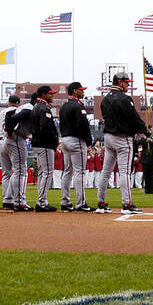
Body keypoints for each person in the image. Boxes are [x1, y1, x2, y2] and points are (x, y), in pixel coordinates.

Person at [96, 71, 147, 213]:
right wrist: (144, 130)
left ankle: (101, 203)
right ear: (119, 82)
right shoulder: (124, 98)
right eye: (126, 82)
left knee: (106, 171)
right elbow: (133, 117)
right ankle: (127, 204)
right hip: (122, 137)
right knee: (124, 172)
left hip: (108, 136)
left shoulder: (105, 99)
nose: (127, 85)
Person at [57, 83, 94, 212]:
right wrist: (88, 141)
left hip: (65, 138)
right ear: (74, 91)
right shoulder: (78, 106)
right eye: (81, 90)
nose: (83, 92)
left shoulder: (64, 106)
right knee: (80, 172)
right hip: (76, 139)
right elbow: (82, 125)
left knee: (67, 171)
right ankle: (81, 203)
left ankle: (65, 201)